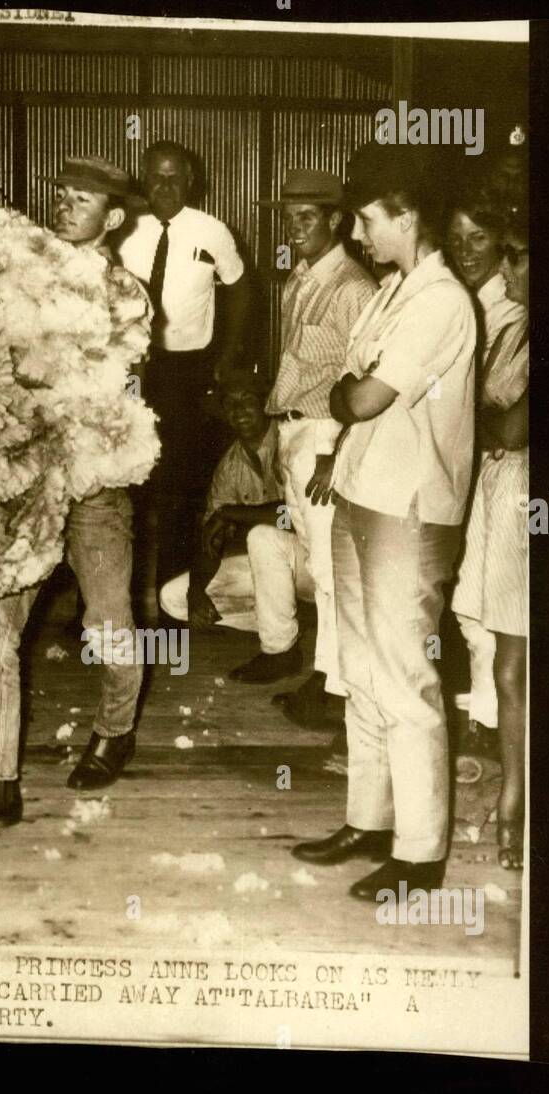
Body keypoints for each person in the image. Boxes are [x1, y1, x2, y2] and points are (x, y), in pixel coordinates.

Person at [0, 156, 151, 840]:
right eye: (60, 194)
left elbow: (96, 382)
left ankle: (114, 732)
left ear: (112, 217)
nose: (64, 205)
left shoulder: (125, 294)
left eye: (81, 198)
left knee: (107, 623)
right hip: (21, 481)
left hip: (93, 482)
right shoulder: (15, 280)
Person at [292, 143, 477, 900]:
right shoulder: (387, 290)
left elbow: (361, 397)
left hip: (409, 508)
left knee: (404, 680)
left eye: (368, 219)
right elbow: (352, 387)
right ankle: (368, 820)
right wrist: (345, 400)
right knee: (359, 671)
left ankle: (420, 850)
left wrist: (344, 395)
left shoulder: (439, 301)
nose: (358, 235)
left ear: (407, 214)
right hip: (360, 492)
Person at [256, 169, 377, 713]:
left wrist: (339, 450)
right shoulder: (300, 279)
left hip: (326, 438)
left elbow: (371, 378)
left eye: (307, 218)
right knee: (314, 558)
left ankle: (337, 688)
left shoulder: (355, 288)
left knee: (332, 569)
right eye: (288, 219)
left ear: (336, 220)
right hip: (295, 433)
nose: (294, 229)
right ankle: (324, 674)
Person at [116, 141, 250, 598]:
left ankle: (172, 601)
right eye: (156, 176)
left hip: (185, 372)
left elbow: (239, 290)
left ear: (192, 182)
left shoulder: (213, 232)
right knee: (122, 487)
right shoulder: (124, 231)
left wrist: (227, 354)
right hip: (127, 373)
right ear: (143, 180)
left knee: (177, 489)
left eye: (175, 177)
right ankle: (113, 603)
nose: (166, 186)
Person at [451, 209, 528, 870]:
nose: (506, 269)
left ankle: (515, 810)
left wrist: (482, 415)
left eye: (514, 256)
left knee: (514, 659)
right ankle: (508, 799)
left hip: (526, 493)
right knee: (499, 650)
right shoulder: (510, 322)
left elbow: (508, 428)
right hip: (499, 487)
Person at [159, 369, 311, 677]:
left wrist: (233, 513)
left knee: (262, 537)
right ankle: (294, 621)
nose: (238, 411)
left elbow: (297, 518)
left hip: (318, 563)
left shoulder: (293, 440)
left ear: (267, 404)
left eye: (248, 401)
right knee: (173, 599)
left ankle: (281, 651)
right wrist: (196, 591)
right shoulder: (229, 466)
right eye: (229, 404)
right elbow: (211, 537)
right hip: (277, 571)